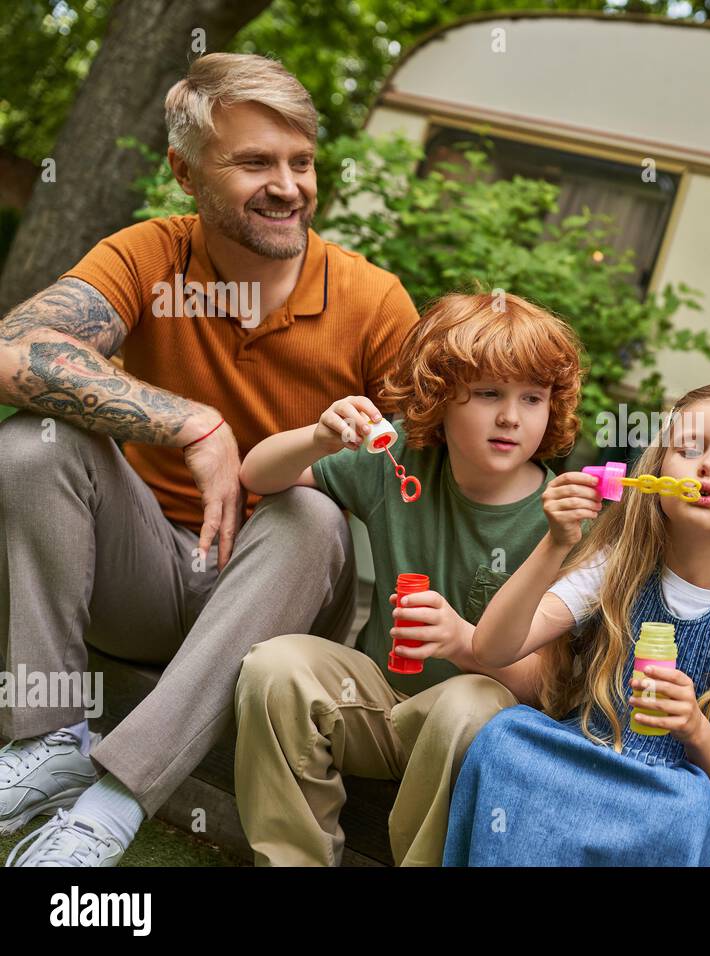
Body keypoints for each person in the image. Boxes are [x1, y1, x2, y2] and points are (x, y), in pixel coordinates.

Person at [0, 54, 420, 867]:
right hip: (144, 575)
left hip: (278, 609)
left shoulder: (373, 302)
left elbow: (427, 472)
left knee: (310, 509)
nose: (288, 185)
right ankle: (45, 739)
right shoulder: (151, 254)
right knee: (26, 446)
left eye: (301, 162)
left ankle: (113, 803)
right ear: (184, 171)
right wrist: (190, 422)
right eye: (255, 162)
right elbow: (13, 350)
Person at [232, 291, 585, 866]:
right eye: (489, 393)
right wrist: (322, 437)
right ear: (439, 398)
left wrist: (465, 643)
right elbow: (260, 474)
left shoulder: (566, 521)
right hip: (377, 704)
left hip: (476, 738)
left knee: (471, 699)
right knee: (276, 667)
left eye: (533, 398)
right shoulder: (397, 460)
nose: (510, 417)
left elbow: (547, 690)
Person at [443, 383, 710, 865]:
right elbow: (493, 650)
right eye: (691, 449)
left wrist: (694, 728)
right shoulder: (614, 565)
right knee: (505, 739)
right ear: (658, 471)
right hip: (583, 746)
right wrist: (555, 542)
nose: (708, 466)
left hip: (669, 786)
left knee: (691, 812)